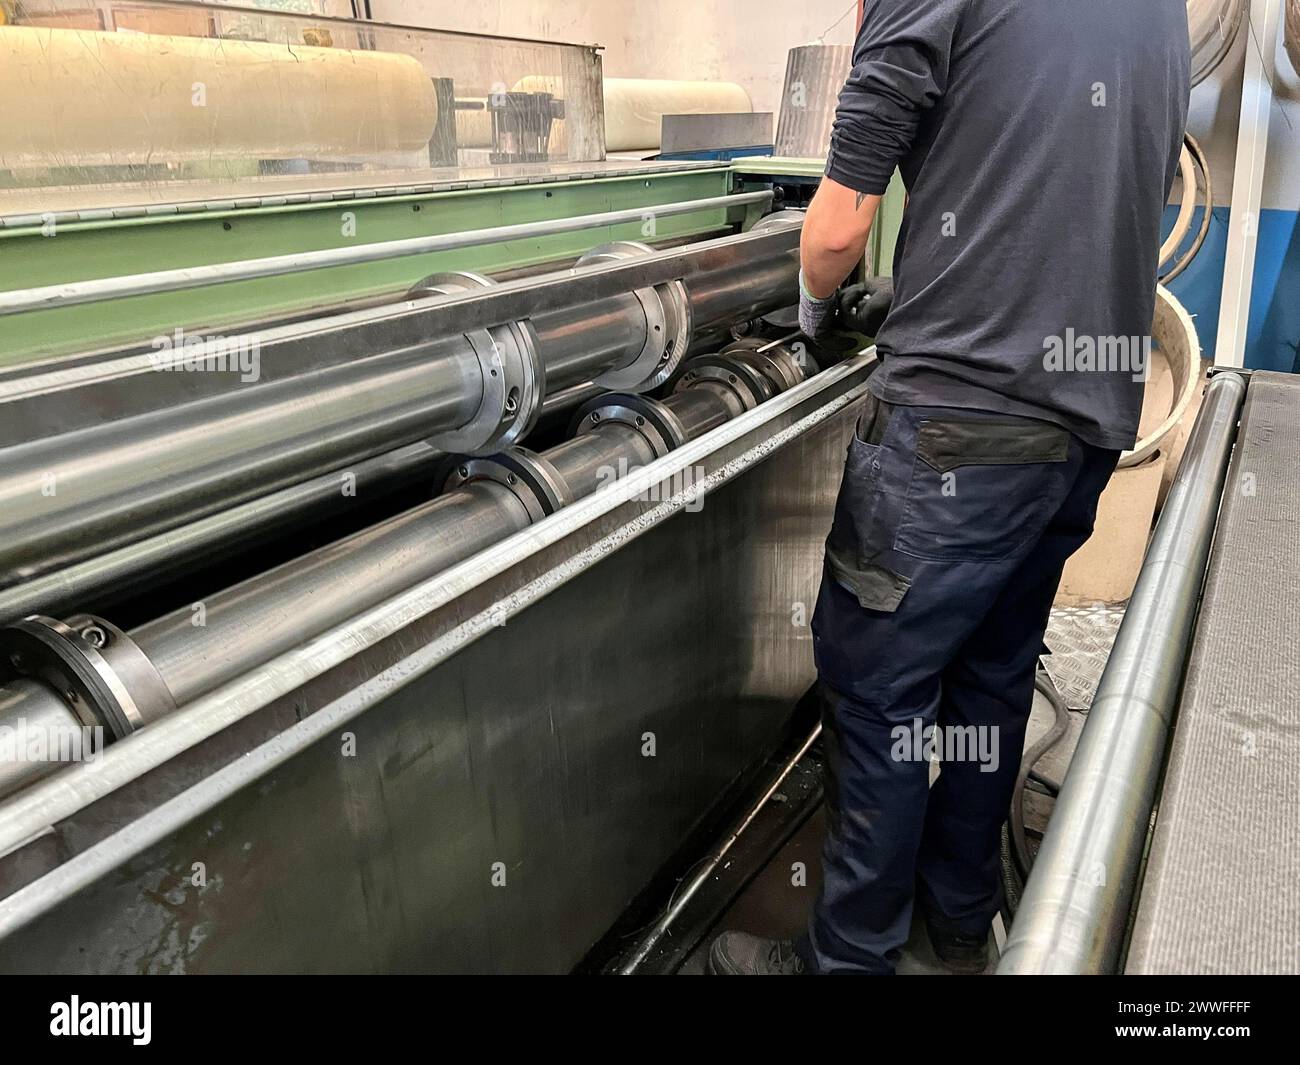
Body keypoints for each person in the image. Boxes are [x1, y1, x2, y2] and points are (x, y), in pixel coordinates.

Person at [709, 0, 1191, 975]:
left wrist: (814, 315)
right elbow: (1049, 184)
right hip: (1085, 421)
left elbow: (835, 230)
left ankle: (847, 961)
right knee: (988, 676)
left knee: (877, 684)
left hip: (958, 430)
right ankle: (957, 926)